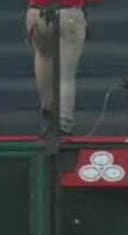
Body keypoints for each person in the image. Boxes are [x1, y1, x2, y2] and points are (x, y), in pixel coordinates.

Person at [27, 0, 88, 135]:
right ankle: (63, 125)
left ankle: (48, 118)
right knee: (66, 76)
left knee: (43, 58)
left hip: (36, 11)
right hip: (68, 12)